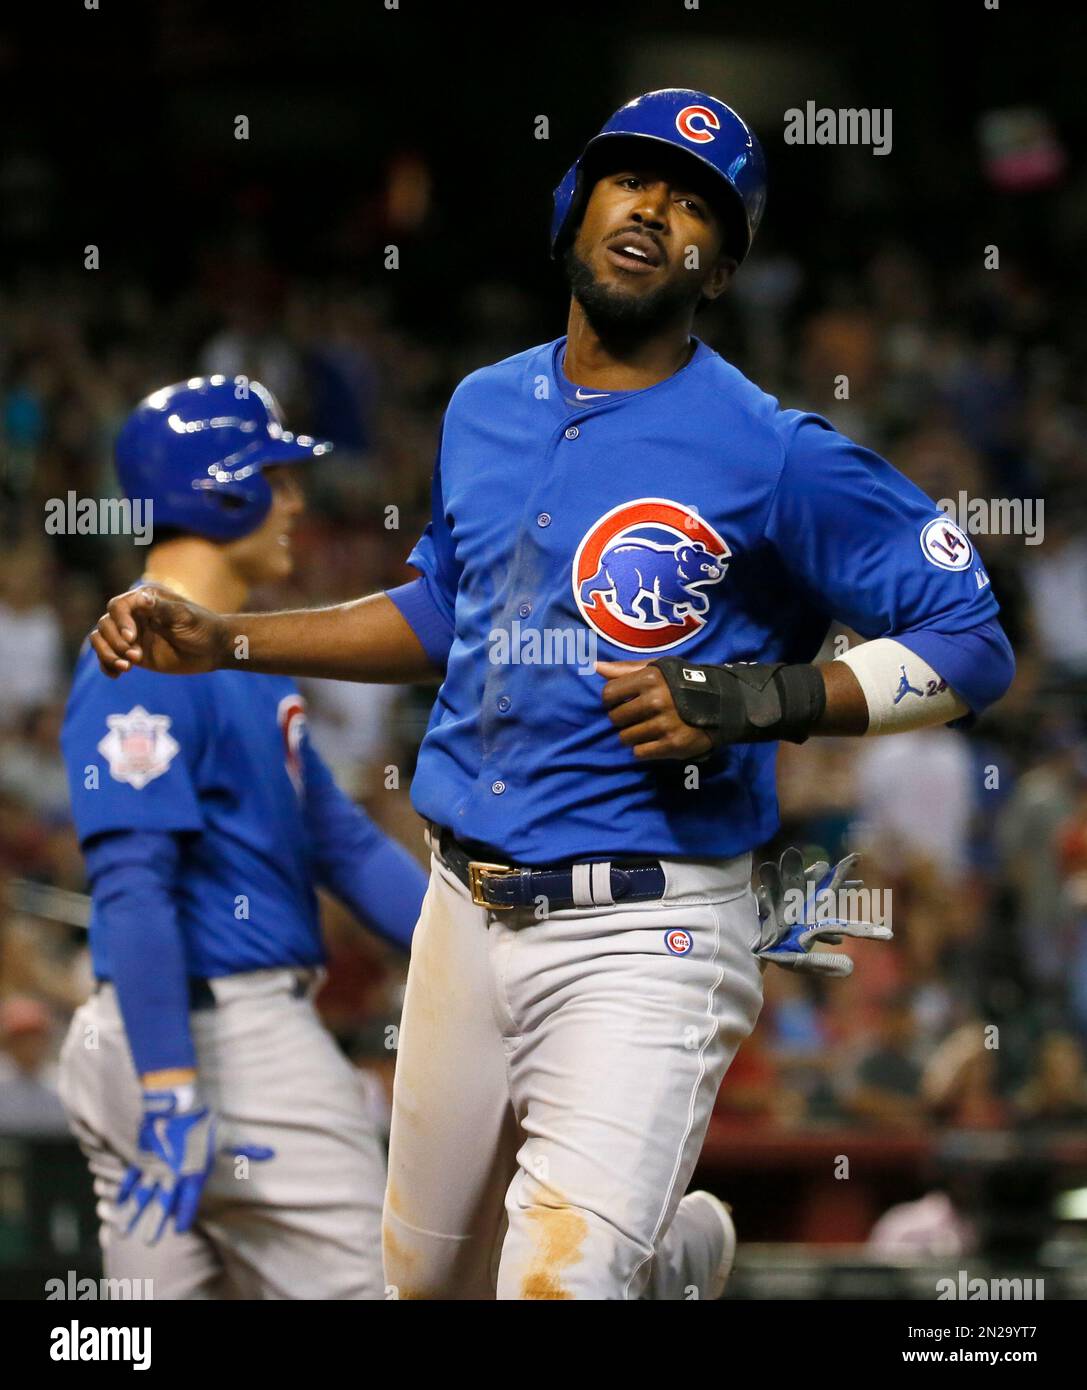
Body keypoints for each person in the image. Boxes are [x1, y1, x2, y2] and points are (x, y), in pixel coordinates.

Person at [88, 89, 1015, 1300]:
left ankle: (630, 1259)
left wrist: (764, 697)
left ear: (719, 267)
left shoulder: (771, 448)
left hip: (650, 922)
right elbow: (440, 612)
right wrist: (230, 643)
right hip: (459, 909)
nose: (654, 210)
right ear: (576, 204)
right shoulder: (485, 405)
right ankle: (671, 1256)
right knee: (428, 1288)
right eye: (631, 179)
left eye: (694, 204)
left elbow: (974, 638)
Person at [59, 377, 427, 1298]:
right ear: (220, 490)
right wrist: (172, 1084)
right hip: (214, 1043)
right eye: (278, 476)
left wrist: (490, 959)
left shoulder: (235, 653)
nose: (298, 502)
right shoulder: (137, 646)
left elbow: (340, 845)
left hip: (161, 1043)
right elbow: (133, 884)